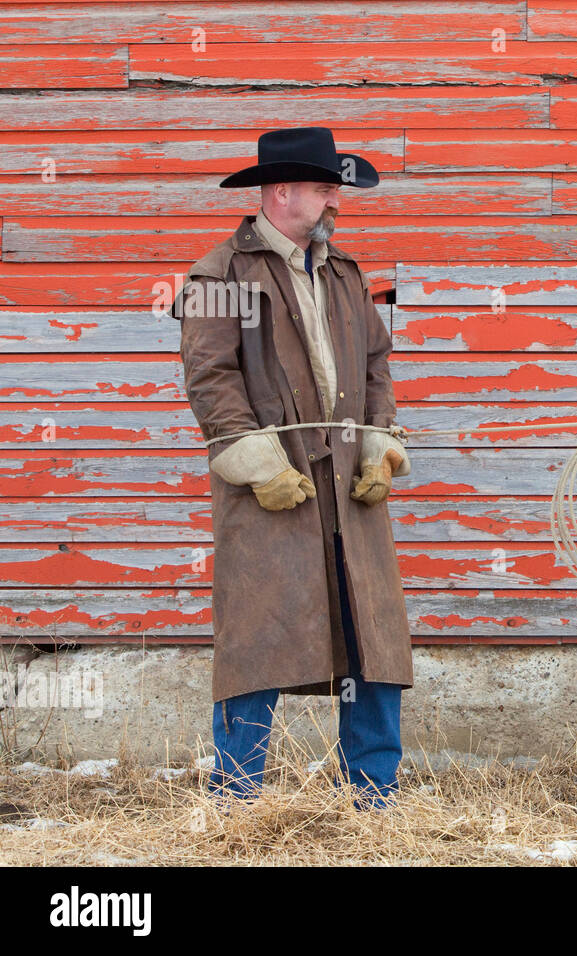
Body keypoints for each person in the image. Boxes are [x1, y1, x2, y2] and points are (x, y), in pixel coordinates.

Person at [172, 126, 414, 808]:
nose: (335, 199)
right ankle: (237, 797)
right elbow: (211, 378)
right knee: (259, 637)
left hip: (349, 490)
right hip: (269, 493)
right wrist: (257, 464)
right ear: (282, 192)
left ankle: (373, 794)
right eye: (324, 187)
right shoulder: (220, 274)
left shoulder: (344, 274)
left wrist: (377, 448)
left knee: (372, 638)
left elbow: (374, 366)